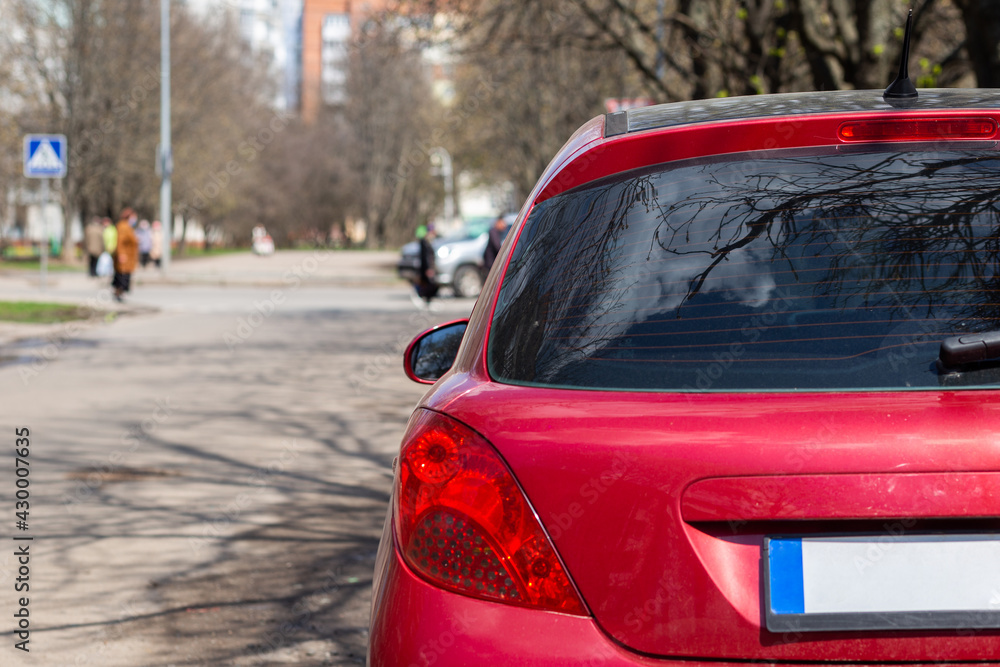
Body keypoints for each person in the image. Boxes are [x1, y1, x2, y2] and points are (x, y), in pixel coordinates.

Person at [112, 208, 139, 302]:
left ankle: (120, 292)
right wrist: (121, 254)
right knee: (122, 275)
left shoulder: (128, 226)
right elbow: (120, 242)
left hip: (128, 256)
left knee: (124, 275)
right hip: (125, 256)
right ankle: (119, 292)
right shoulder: (123, 227)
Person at [414, 224, 439, 306]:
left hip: (427, 267)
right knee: (428, 285)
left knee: (428, 284)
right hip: (426, 268)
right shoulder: (424, 242)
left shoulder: (427, 242)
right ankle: (424, 298)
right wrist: (428, 268)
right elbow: (426, 257)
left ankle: (427, 299)